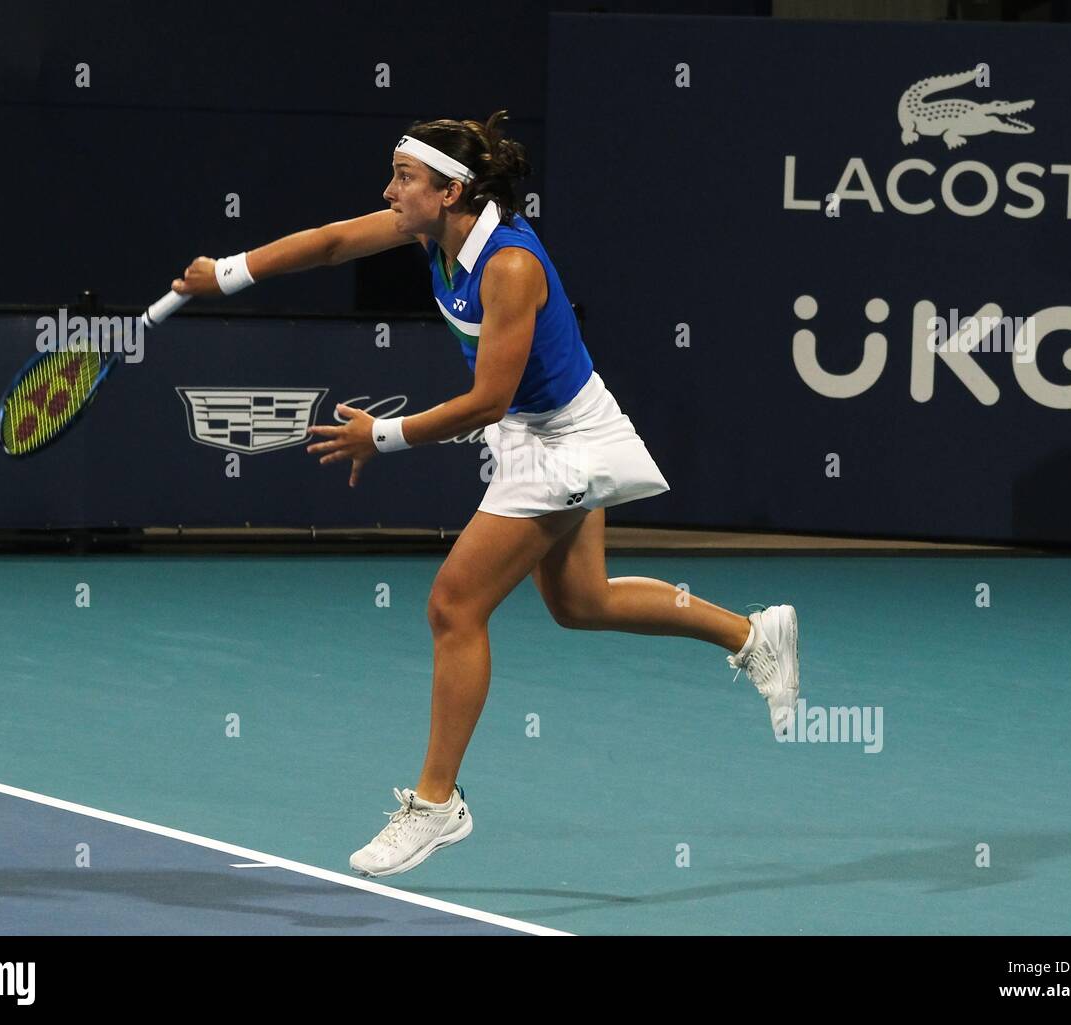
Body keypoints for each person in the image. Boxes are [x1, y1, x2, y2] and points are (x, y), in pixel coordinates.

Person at [171, 110, 800, 879]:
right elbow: (332, 241)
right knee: (581, 602)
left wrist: (384, 437)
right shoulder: (432, 229)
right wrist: (228, 272)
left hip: (563, 441)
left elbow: (486, 403)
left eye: (403, 177)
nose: (389, 189)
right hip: (544, 428)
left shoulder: (509, 265)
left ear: (450, 190)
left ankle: (437, 804)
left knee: (454, 605)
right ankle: (752, 635)